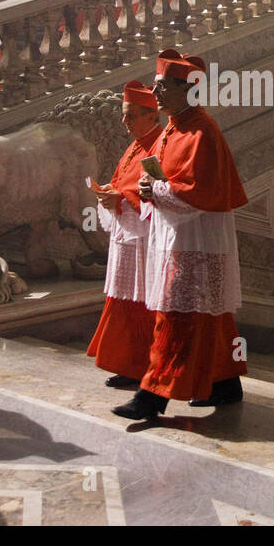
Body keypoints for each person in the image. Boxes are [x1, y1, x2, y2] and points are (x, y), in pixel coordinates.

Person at [112, 49, 248, 420]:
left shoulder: (201, 129)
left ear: (187, 88)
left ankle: (151, 397)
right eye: (156, 84)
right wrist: (148, 187)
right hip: (177, 234)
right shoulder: (175, 126)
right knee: (208, 314)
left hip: (195, 238)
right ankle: (224, 383)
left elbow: (198, 192)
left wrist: (153, 191)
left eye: (162, 85)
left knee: (176, 315)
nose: (155, 92)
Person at [86, 81, 162, 388]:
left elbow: (157, 190)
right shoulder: (136, 145)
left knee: (142, 302)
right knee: (125, 300)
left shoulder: (159, 144)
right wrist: (109, 192)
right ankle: (127, 363)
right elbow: (124, 180)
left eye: (130, 115)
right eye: (123, 115)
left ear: (151, 116)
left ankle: (141, 366)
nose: (124, 122)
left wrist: (122, 197)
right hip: (127, 233)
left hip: (145, 237)